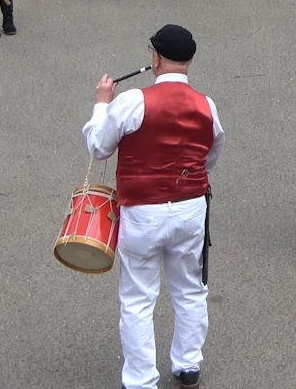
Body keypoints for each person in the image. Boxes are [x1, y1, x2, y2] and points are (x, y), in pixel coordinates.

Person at [81, 24, 224, 389]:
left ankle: (142, 379)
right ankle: (188, 363)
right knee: (190, 288)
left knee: (138, 297)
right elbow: (210, 155)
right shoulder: (207, 105)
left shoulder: (131, 101)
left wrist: (101, 104)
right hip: (191, 206)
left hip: (142, 210)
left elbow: (99, 148)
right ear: (189, 61)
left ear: (156, 58)